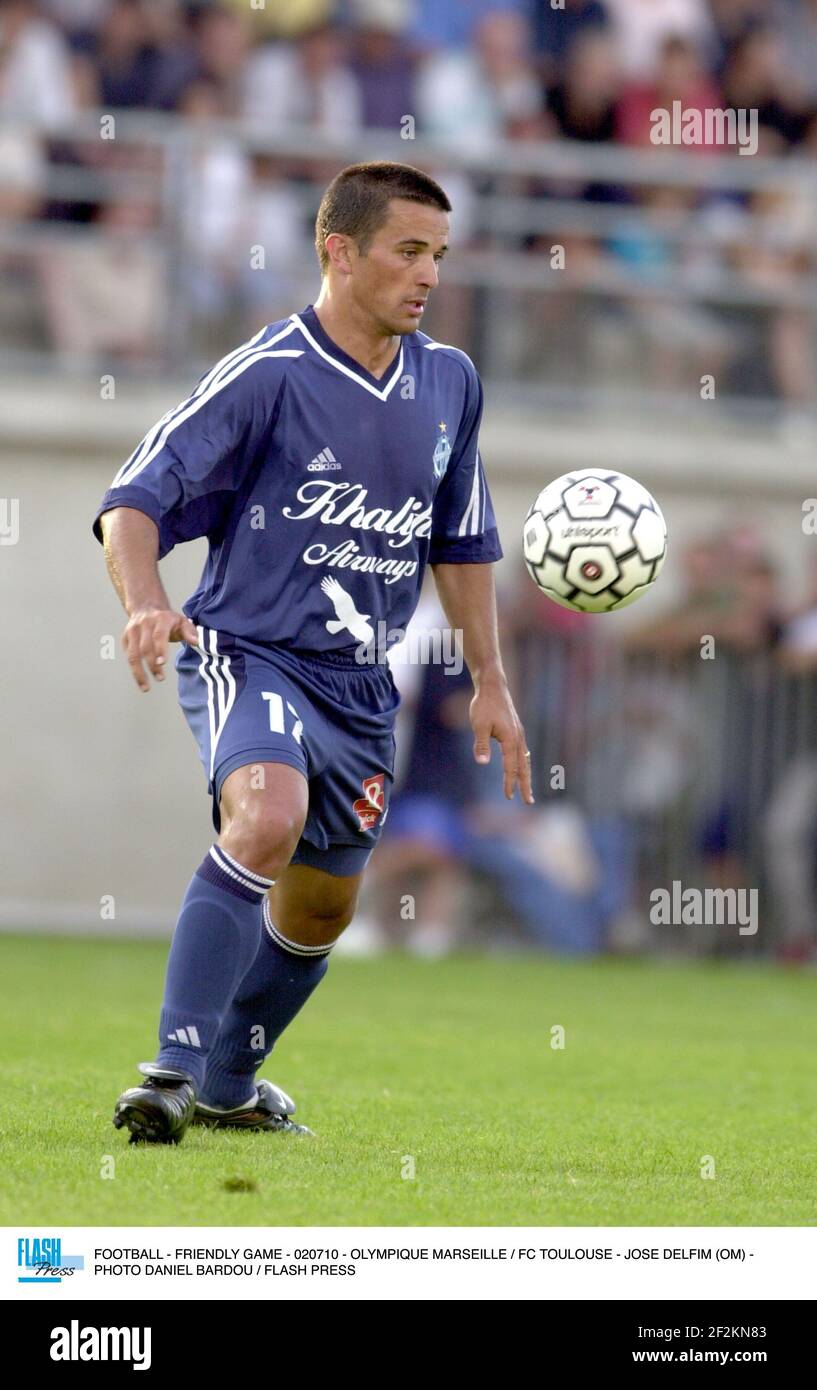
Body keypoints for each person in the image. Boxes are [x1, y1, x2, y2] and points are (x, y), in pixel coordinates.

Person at [91, 160, 533, 1144]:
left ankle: (228, 1082)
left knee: (324, 906)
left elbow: (460, 541)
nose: (427, 275)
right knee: (267, 817)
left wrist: (491, 681)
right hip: (252, 651)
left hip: (362, 688)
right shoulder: (269, 372)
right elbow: (133, 500)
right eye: (407, 251)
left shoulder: (449, 382)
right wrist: (146, 602)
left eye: (439, 256)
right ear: (339, 251)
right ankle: (167, 1072)